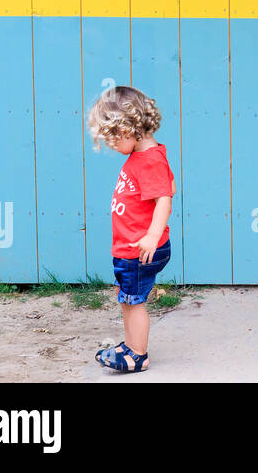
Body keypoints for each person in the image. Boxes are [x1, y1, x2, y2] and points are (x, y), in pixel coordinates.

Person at [87, 85, 176, 373]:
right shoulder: (143, 157)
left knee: (133, 301)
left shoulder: (150, 159)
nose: (112, 144)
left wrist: (152, 235)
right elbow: (168, 185)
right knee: (127, 299)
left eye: (113, 136)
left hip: (140, 250)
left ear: (130, 127)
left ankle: (137, 354)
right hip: (129, 248)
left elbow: (165, 196)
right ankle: (129, 345)